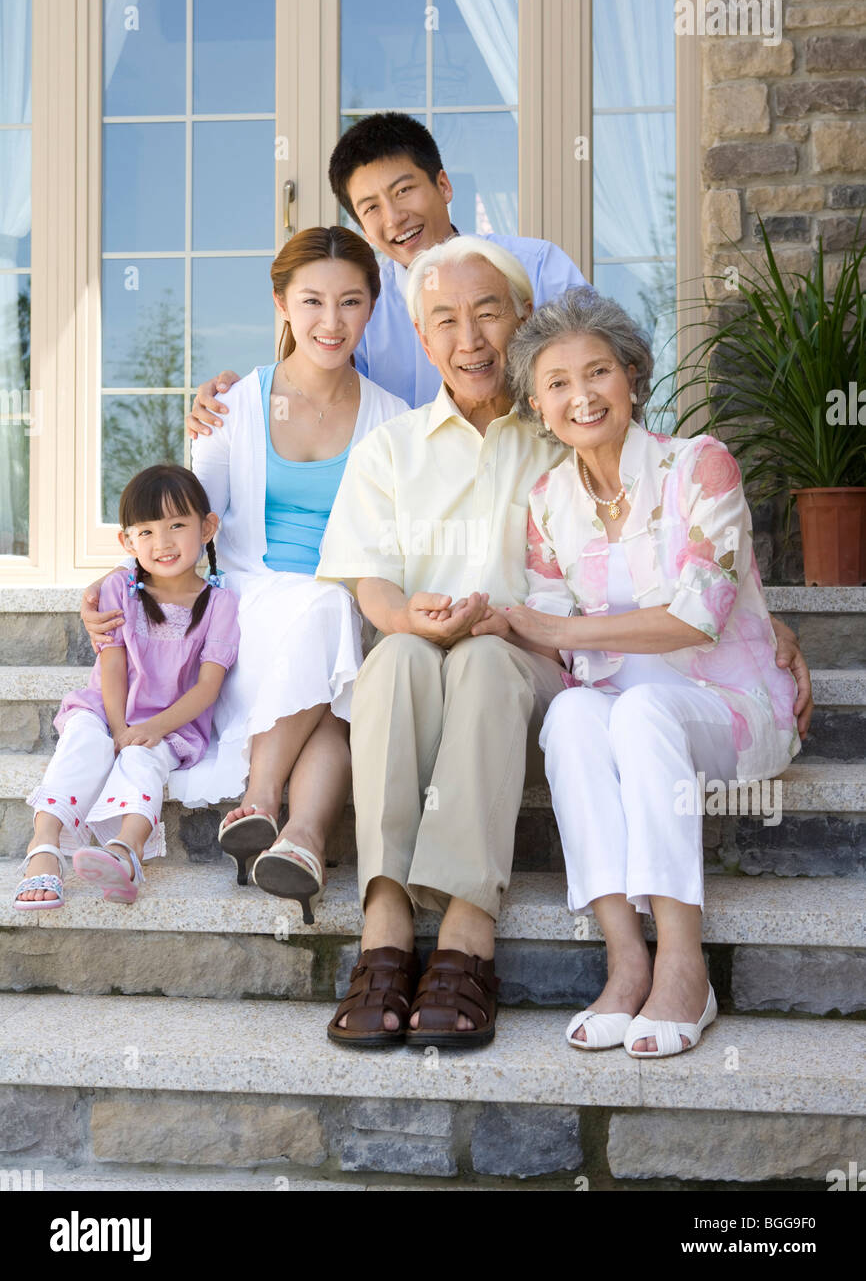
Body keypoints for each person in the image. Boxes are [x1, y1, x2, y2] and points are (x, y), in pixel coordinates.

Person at [314, 240, 812, 1052]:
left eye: (488, 314)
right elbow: (381, 589)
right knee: (403, 660)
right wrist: (419, 617)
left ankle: (491, 941)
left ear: (519, 326)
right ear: (420, 335)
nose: (469, 337)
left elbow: (690, 594)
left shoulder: (618, 448)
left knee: (503, 666)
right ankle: (388, 931)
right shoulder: (434, 461)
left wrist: (766, 627)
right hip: (522, 672)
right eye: (445, 320)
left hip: (584, 677)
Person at [500, 288, 801, 1058]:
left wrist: (558, 627)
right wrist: (490, 621)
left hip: (729, 709)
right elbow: (551, 640)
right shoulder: (547, 502)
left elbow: (699, 616)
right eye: (558, 384)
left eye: (598, 372)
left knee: (639, 714)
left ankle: (683, 965)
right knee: (570, 716)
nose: (582, 396)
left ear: (633, 376)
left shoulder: (699, 465)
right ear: (538, 406)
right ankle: (625, 958)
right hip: (620, 711)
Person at [80, 228, 407, 922]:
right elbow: (189, 532)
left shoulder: (392, 420)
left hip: (345, 604)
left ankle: (296, 836)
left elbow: (392, 547)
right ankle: (267, 804)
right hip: (250, 604)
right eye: (312, 300)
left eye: (351, 302)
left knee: (335, 632)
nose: (332, 320)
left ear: (372, 308)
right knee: (332, 641)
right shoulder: (228, 409)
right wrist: (117, 590)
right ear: (281, 302)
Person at [184, 112, 591, 426]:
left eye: (404, 191)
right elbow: (312, 387)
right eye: (371, 207)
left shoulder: (535, 265)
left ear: (444, 186)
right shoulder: (359, 302)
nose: (394, 218)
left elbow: (595, 364)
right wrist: (237, 402)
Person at [15, 465, 239, 910]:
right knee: (83, 741)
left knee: (143, 758)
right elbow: (113, 666)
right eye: (147, 531)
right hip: (106, 707)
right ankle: (43, 847)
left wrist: (149, 729)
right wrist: (118, 726)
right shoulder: (121, 588)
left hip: (171, 720)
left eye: (178, 525)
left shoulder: (219, 603)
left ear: (207, 527)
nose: (163, 543)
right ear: (127, 542)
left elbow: (208, 686)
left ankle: (126, 852)